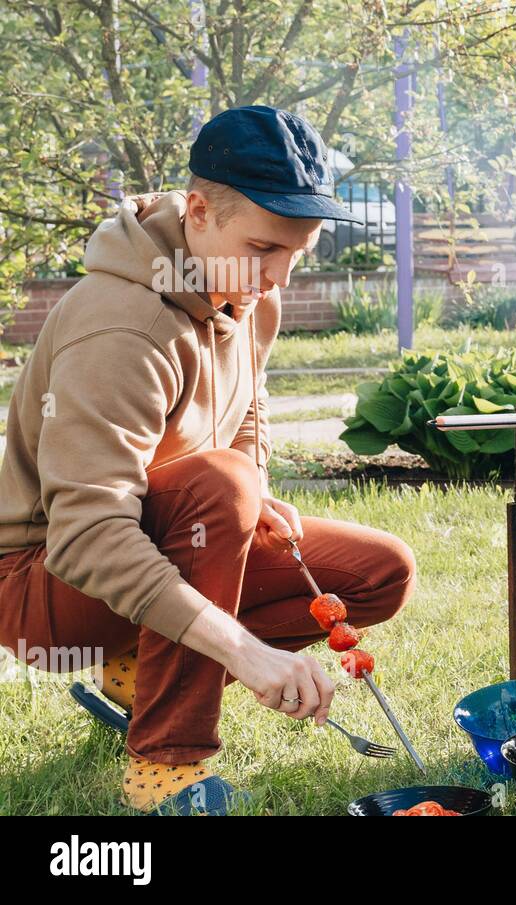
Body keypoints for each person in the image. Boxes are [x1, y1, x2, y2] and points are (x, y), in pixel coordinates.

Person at [0, 106, 416, 815]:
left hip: (177, 530)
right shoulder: (119, 327)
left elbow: (245, 411)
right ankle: (167, 763)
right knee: (219, 485)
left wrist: (255, 489)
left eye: (298, 253)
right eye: (263, 249)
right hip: (40, 581)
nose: (279, 277)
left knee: (379, 572)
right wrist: (245, 653)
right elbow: (85, 537)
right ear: (197, 212)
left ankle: (140, 670)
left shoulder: (246, 288)